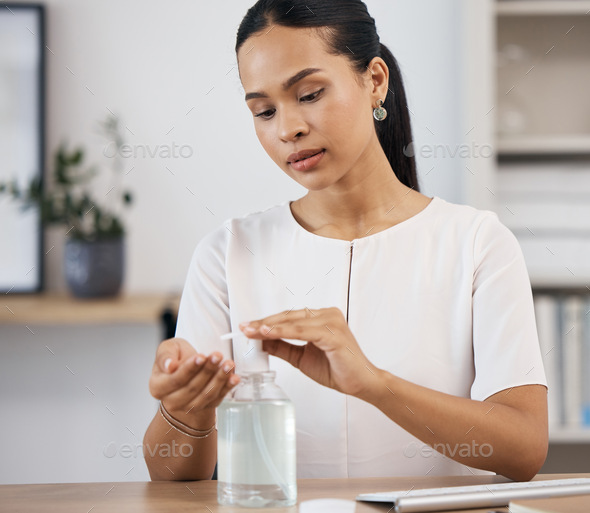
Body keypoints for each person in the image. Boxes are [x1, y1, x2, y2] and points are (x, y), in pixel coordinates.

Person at [143, 0, 548, 482]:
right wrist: (186, 409)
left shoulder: (477, 243)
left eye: (310, 94)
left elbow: (524, 448)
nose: (287, 128)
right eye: (264, 110)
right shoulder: (227, 252)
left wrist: (374, 384)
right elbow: (170, 478)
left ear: (374, 80)